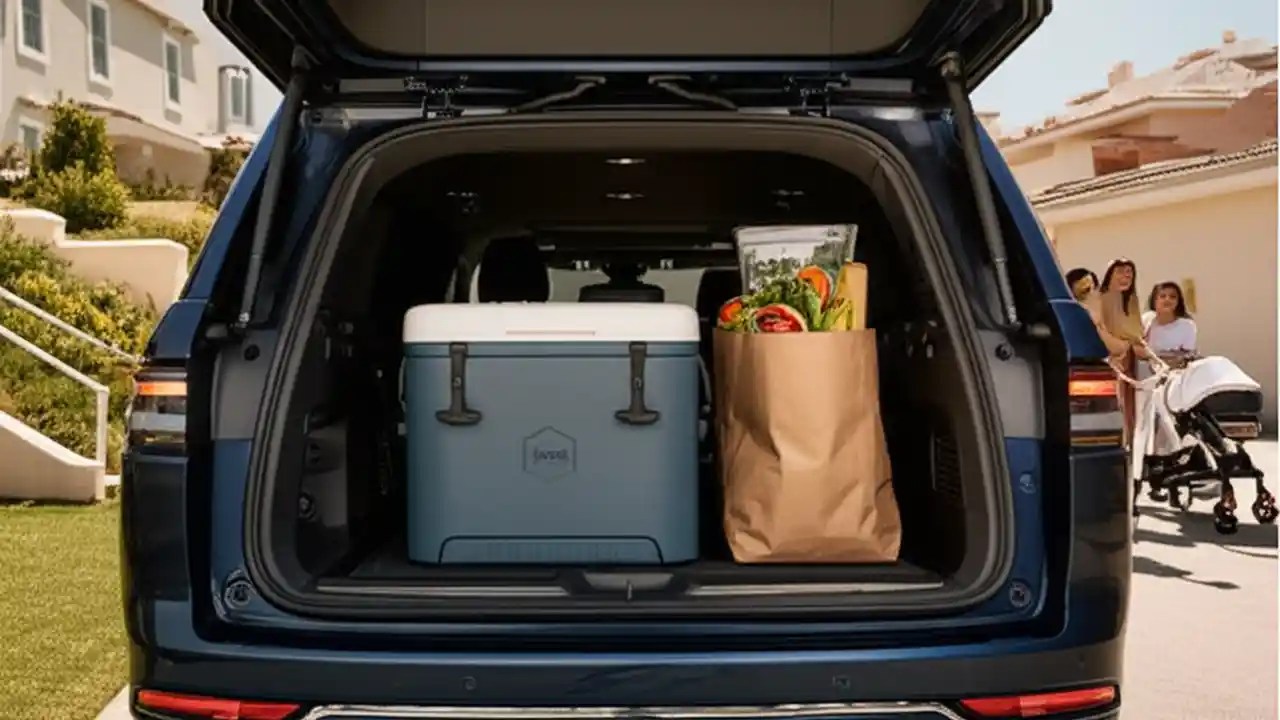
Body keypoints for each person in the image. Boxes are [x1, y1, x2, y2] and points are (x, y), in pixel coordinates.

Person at [1098, 258, 1149, 445]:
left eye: (1129, 272)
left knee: (1131, 410)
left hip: (1130, 360)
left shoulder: (1132, 301)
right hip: (1110, 360)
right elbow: (1100, 330)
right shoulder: (1100, 299)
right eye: (1120, 271)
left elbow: (1138, 333)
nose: (1125, 276)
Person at [1141, 281, 1198, 375]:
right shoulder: (1146, 319)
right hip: (1146, 372)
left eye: (1173, 297)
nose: (1167, 299)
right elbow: (1138, 349)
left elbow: (1187, 356)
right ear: (1154, 301)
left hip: (1176, 373)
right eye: (1162, 296)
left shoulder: (1188, 326)